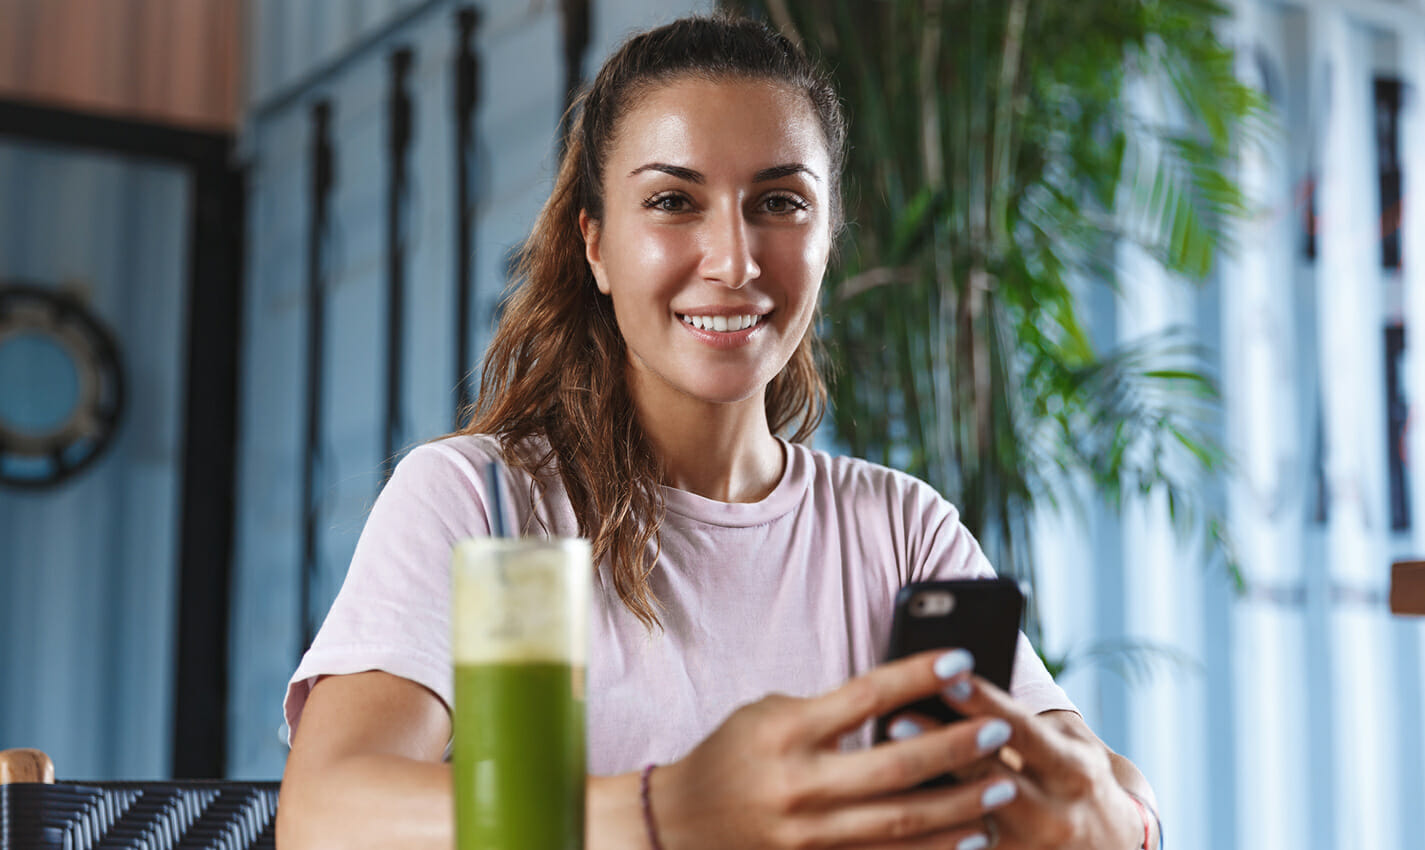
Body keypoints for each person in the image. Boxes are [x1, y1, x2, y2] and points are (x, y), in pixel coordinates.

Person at [276, 14, 1161, 850]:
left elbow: (1103, 784)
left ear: (827, 235)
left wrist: (1115, 823)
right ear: (595, 244)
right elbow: (326, 814)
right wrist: (672, 810)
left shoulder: (898, 529)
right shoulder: (482, 501)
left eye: (780, 202)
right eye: (671, 201)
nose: (735, 261)